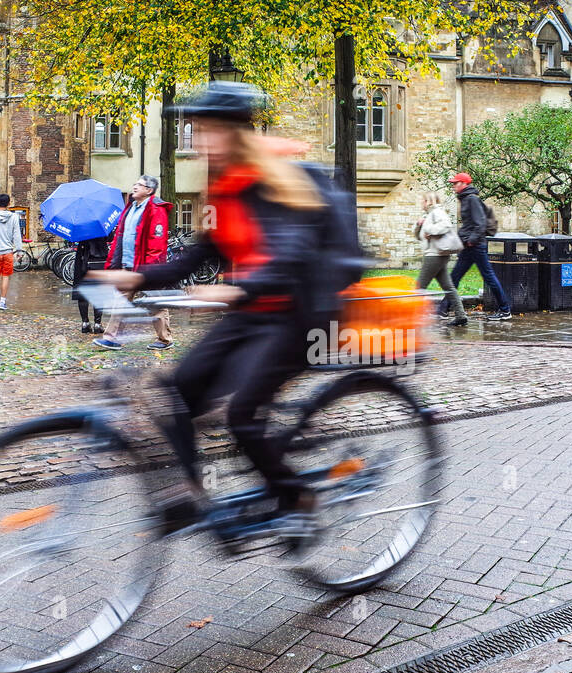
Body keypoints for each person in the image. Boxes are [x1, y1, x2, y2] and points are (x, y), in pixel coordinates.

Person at [90, 81, 360, 534]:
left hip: (304, 313)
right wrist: (137, 277)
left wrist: (235, 290)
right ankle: (190, 497)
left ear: (235, 131)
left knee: (242, 415)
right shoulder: (223, 188)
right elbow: (200, 256)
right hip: (255, 310)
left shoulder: (275, 180)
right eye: (195, 129)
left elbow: (291, 254)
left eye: (206, 129)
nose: (197, 139)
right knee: (178, 391)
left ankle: (299, 499)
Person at [95, 175, 174, 350]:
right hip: (128, 265)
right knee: (120, 301)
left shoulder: (156, 209)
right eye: (135, 184)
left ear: (149, 190)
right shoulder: (131, 207)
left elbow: (157, 241)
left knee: (155, 303)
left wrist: (151, 268)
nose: (135, 187)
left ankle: (165, 339)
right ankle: (112, 338)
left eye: (140, 185)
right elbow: (120, 237)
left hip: (146, 267)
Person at [446, 172, 511, 320]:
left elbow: (480, 223)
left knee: (489, 277)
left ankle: (505, 310)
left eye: (456, 183)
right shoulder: (465, 199)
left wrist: (471, 240)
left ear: (464, 184)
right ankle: (443, 309)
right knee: (455, 277)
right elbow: (470, 224)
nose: (454, 186)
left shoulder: (471, 199)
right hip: (470, 246)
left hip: (476, 246)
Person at [415, 193, 466, 326]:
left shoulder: (437, 212)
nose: (421, 202)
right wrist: (419, 225)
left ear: (429, 201)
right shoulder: (428, 215)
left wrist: (429, 230)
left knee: (419, 286)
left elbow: (446, 225)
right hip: (437, 254)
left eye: (423, 199)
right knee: (448, 286)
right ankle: (461, 316)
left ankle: (409, 316)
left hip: (434, 255)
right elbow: (419, 236)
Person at [72, 235, 109, 333]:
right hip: (99, 262)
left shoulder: (81, 226)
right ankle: (97, 324)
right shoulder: (102, 226)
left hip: (83, 261)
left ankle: (85, 323)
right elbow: (110, 238)